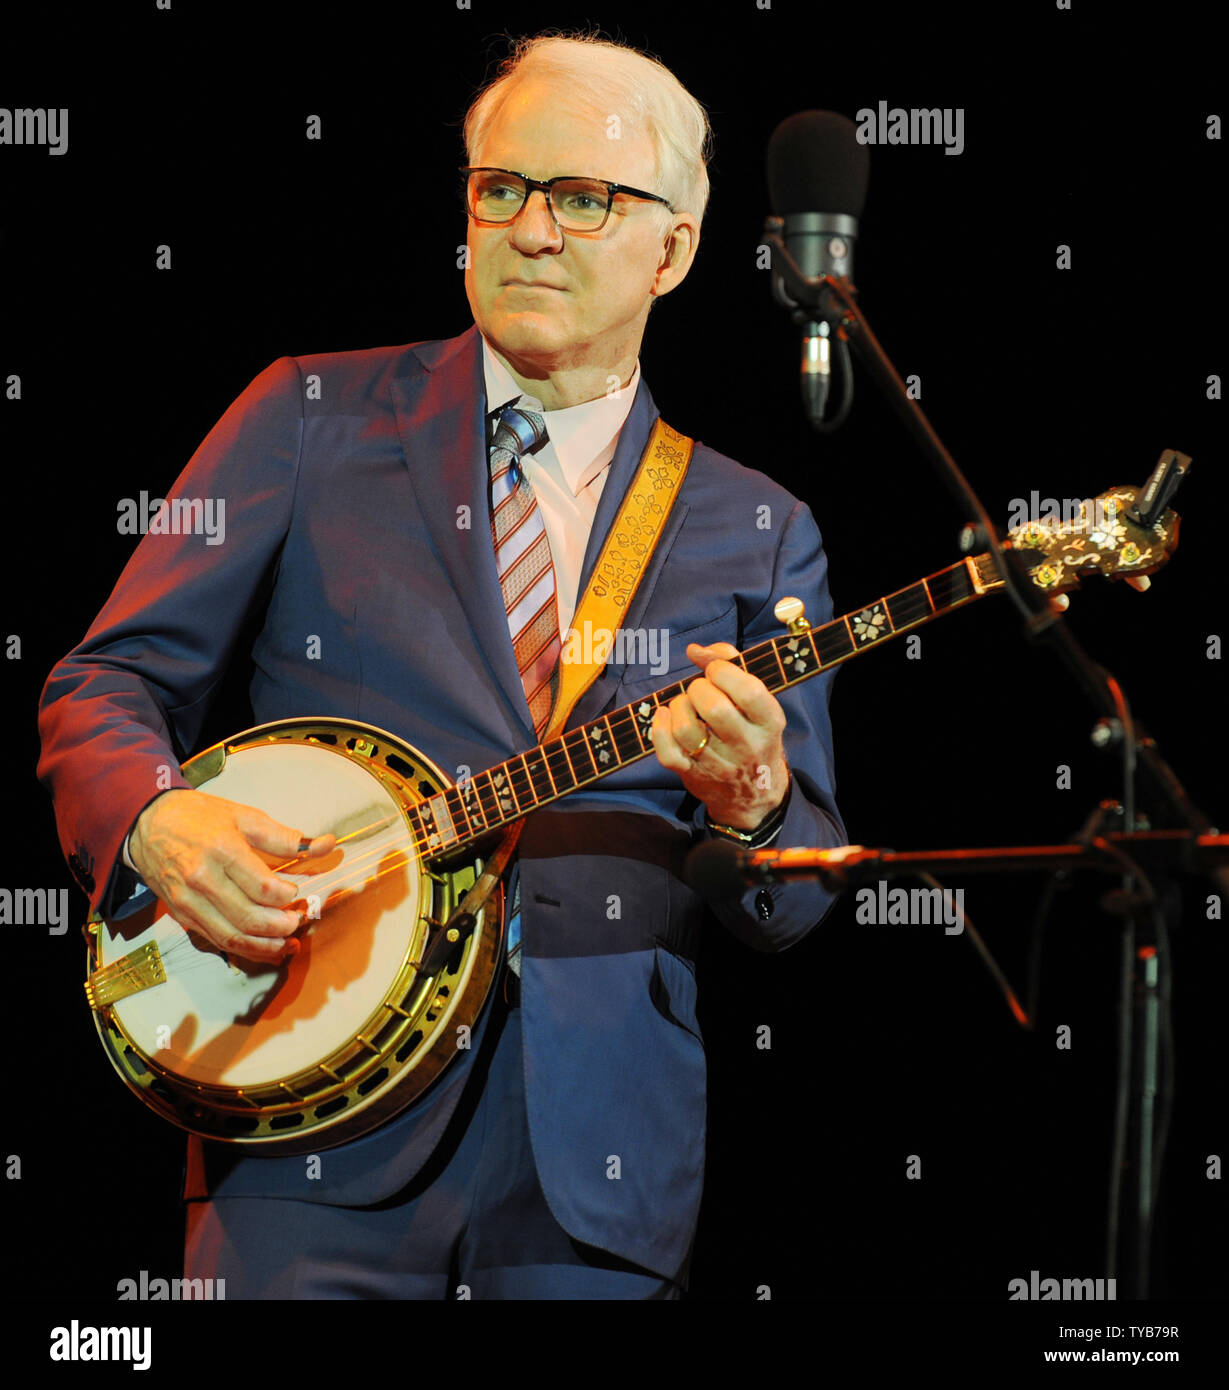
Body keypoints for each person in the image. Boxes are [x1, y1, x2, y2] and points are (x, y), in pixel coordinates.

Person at [38, 32, 845, 1299]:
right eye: (501, 189)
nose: (532, 230)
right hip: (304, 1110)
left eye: (584, 199)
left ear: (673, 250)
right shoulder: (306, 418)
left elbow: (790, 902)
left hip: (594, 1165)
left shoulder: (754, 525)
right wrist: (154, 819)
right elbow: (102, 683)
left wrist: (752, 805)